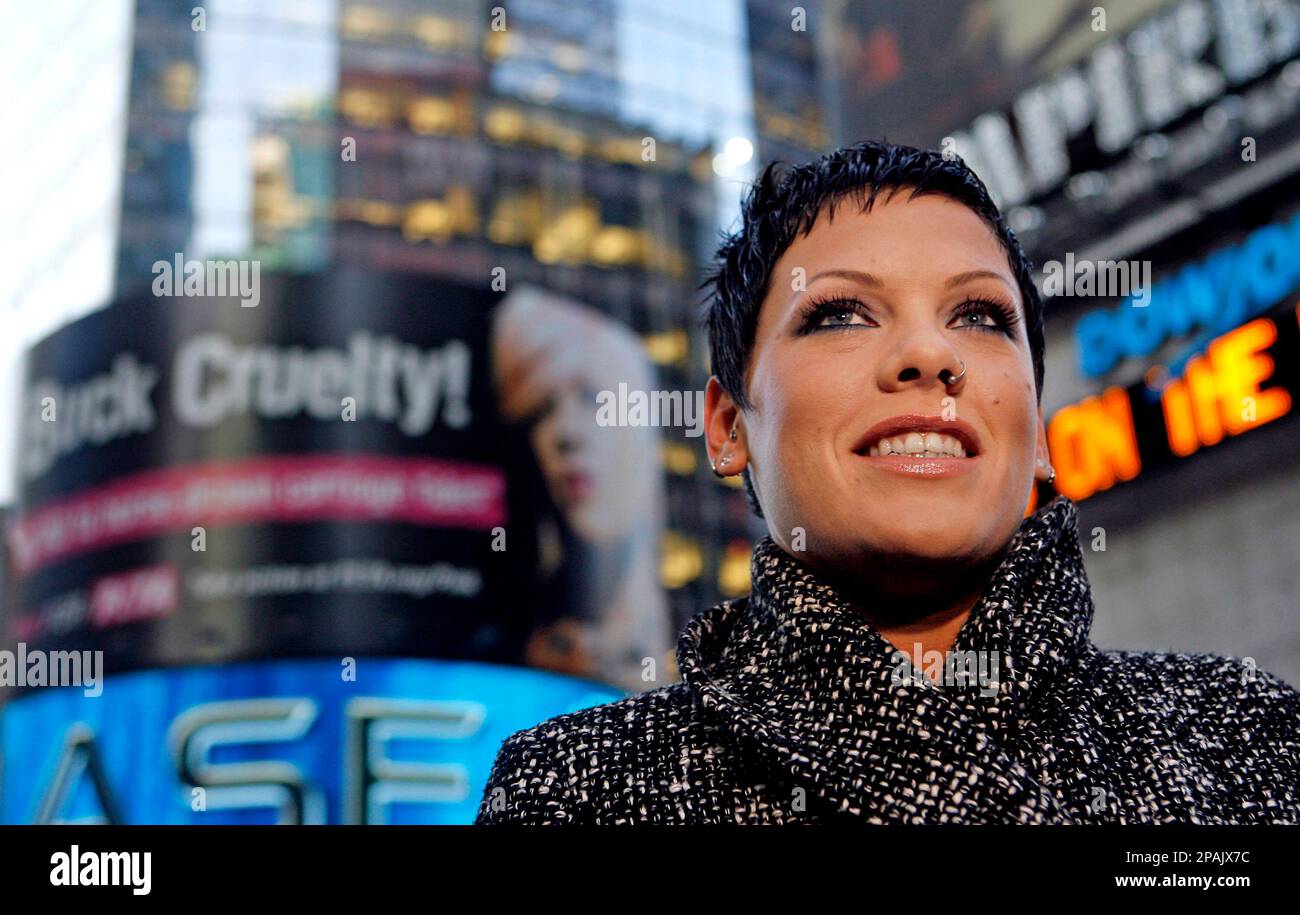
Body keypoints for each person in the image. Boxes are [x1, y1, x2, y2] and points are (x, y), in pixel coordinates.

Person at [474, 140, 1300, 824]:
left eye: (979, 316)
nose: (929, 356)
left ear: (1040, 433)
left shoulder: (1247, 733)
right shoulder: (575, 790)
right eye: (839, 313)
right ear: (729, 427)